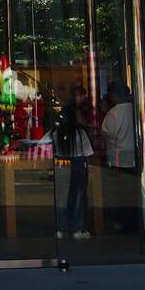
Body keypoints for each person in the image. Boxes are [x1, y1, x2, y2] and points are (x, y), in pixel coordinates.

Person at [53, 84, 95, 240]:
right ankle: (77, 229)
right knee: (77, 195)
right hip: (78, 163)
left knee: (62, 196)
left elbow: (50, 147)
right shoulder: (80, 133)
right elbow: (88, 153)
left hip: (61, 163)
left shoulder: (58, 133)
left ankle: (60, 228)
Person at [101, 79, 136, 234]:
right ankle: (132, 221)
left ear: (114, 95)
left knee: (118, 192)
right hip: (134, 156)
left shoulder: (113, 112)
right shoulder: (135, 109)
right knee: (132, 191)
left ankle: (119, 222)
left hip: (118, 156)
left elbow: (108, 133)